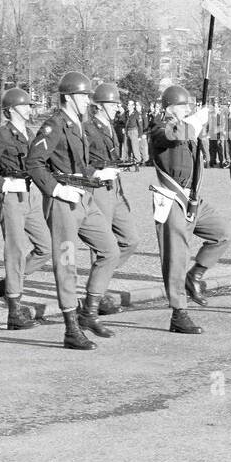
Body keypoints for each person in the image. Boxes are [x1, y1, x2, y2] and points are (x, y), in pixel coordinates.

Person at [25, 71, 119, 350]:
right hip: (63, 199)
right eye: (82, 96)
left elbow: (81, 163)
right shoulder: (54, 125)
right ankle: (70, 329)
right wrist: (55, 189)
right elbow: (34, 162)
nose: (86, 101)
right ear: (68, 97)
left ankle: (88, 311)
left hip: (84, 195)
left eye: (87, 96)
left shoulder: (79, 124)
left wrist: (100, 173)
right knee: (67, 263)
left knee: (110, 249)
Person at [148, 85, 230, 335]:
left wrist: (194, 124)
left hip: (193, 197)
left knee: (222, 234)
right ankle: (178, 312)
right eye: (183, 106)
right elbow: (171, 136)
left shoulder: (186, 128)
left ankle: (194, 276)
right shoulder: (160, 127)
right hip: (172, 198)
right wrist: (194, 121)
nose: (187, 109)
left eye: (189, 106)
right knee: (175, 258)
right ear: (170, 107)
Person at [0, 86, 51, 330]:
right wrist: (2, 184)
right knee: (15, 251)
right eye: (26, 105)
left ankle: (11, 281)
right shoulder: (1, 135)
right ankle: (15, 312)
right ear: (12, 109)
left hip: (30, 195)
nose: (30, 109)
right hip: (11, 197)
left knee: (46, 247)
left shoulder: (29, 133)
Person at [82, 82, 137, 315]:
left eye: (117, 103)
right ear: (100, 106)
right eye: (113, 103)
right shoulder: (88, 128)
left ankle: (99, 282)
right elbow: (82, 161)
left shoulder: (110, 126)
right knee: (102, 243)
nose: (118, 107)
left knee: (130, 240)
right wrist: (99, 170)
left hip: (114, 187)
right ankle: (97, 295)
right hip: (99, 187)